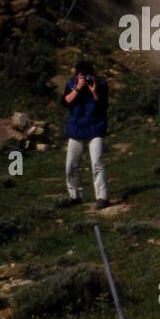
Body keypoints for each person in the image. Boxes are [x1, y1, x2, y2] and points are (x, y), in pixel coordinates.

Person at [61, 60, 110, 209]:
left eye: (86, 76)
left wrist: (94, 91)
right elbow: (64, 102)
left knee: (97, 162)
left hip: (95, 127)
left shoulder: (101, 84)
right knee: (71, 165)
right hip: (77, 128)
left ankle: (102, 197)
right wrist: (77, 89)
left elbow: (103, 106)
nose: (84, 78)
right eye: (81, 76)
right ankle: (75, 195)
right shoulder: (71, 83)